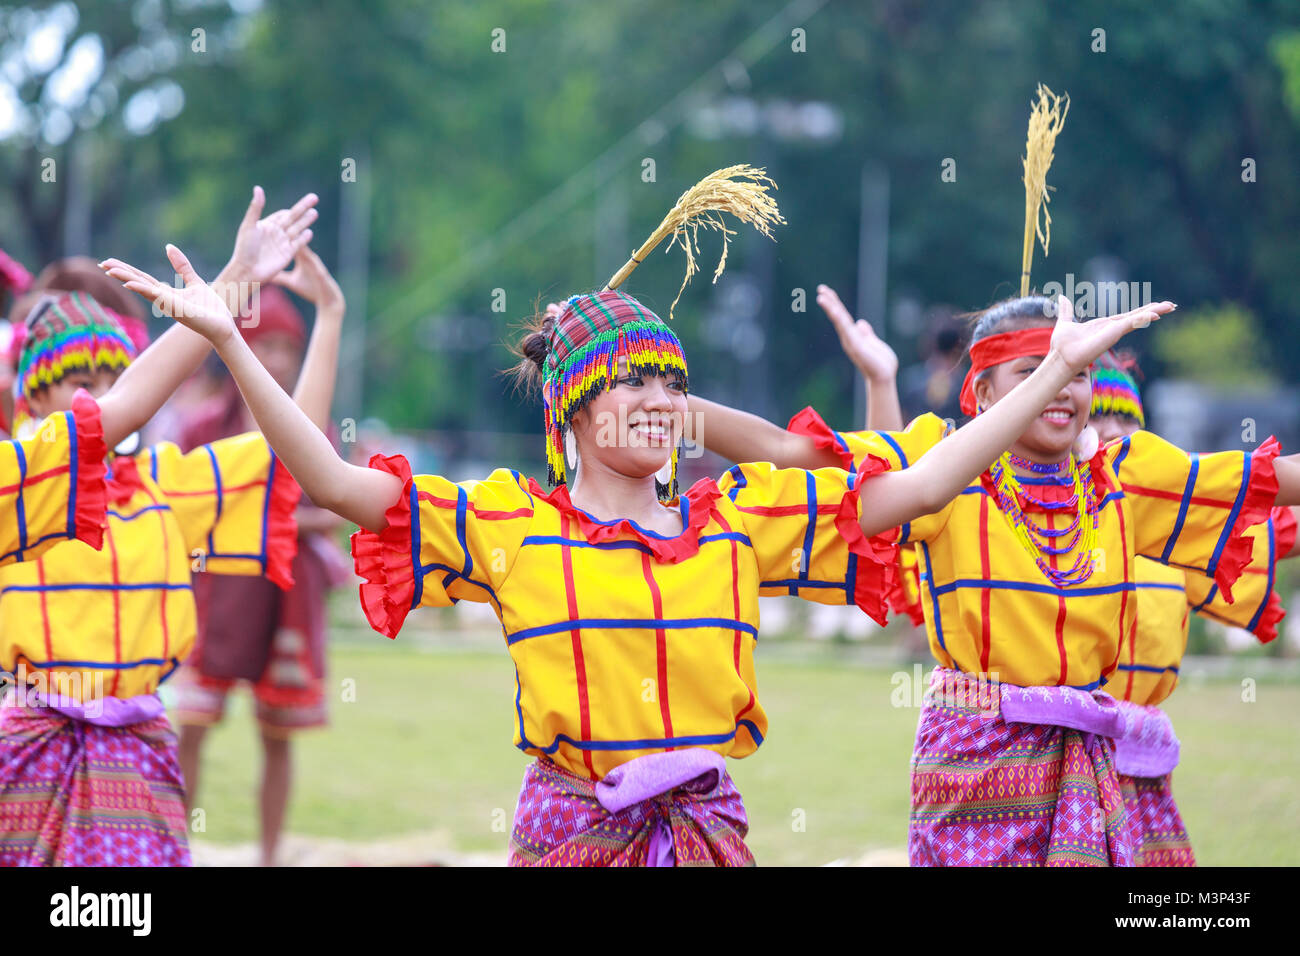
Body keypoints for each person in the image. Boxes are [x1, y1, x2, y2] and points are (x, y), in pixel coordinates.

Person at [103, 205, 1167, 865]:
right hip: (572, 830)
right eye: (630, 384)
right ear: (571, 414)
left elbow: (928, 475)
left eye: (671, 382)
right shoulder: (510, 526)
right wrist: (228, 339)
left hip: (707, 829)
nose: (659, 401)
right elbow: (331, 479)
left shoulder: (739, 521)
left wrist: (1055, 371)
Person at [688, 285, 1300, 866]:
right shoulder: (945, 469)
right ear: (980, 392)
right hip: (974, 770)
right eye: (1030, 374)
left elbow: (1270, 483)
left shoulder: (1128, 477)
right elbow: (793, 452)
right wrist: (662, 402)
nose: (1060, 389)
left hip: (1090, 764)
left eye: (1076, 373)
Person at [0, 188, 330, 867]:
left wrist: (327, 315)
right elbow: (122, 411)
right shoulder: (20, 481)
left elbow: (296, 458)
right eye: (81, 379)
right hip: (31, 746)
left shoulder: (162, 487)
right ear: (30, 397)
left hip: (138, 746)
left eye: (114, 374)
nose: (104, 392)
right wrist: (234, 285)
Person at [1088, 355, 1299, 866]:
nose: (1114, 429)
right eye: (1098, 413)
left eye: (1127, 418)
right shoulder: (1048, 524)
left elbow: (1269, 528)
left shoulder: (1175, 540)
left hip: (1142, 762)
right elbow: (922, 495)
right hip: (1067, 757)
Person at [172, 262, 348, 868]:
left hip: (284, 590)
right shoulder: (203, 427)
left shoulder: (310, 423)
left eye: (286, 348)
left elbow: (334, 502)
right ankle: (175, 851)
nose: (275, 359)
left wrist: (284, 524)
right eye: (263, 343)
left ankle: (269, 858)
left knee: (276, 737)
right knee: (191, 727)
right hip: (215, 592)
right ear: (236, 344)